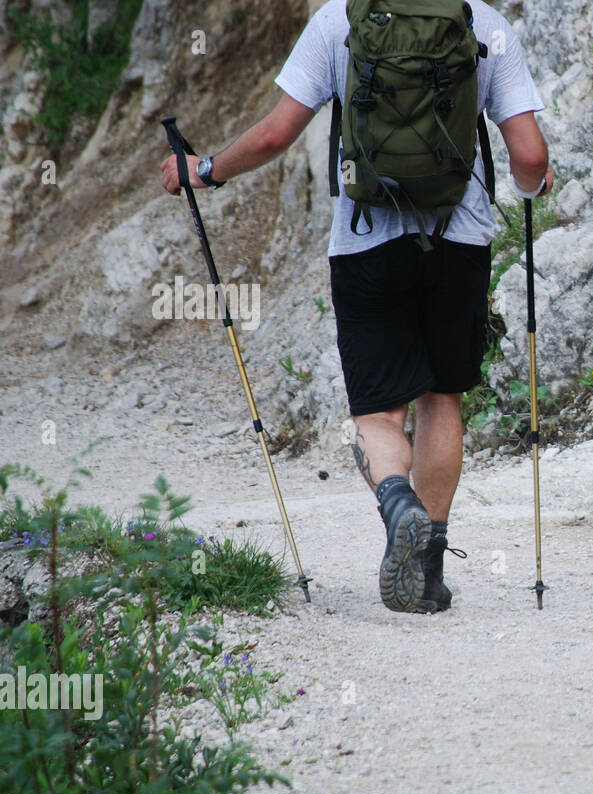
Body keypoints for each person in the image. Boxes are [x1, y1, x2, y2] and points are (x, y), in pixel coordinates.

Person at [161, 0, 554, 615]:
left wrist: (204, 170)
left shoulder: (338, 21)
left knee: (376, 411)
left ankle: (398, 506)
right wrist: (534, 186)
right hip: (459, 242)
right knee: (441, 398)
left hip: (368, 242)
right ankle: (427, 572)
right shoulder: (483, 23)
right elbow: (528, 156)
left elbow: (275, 133)